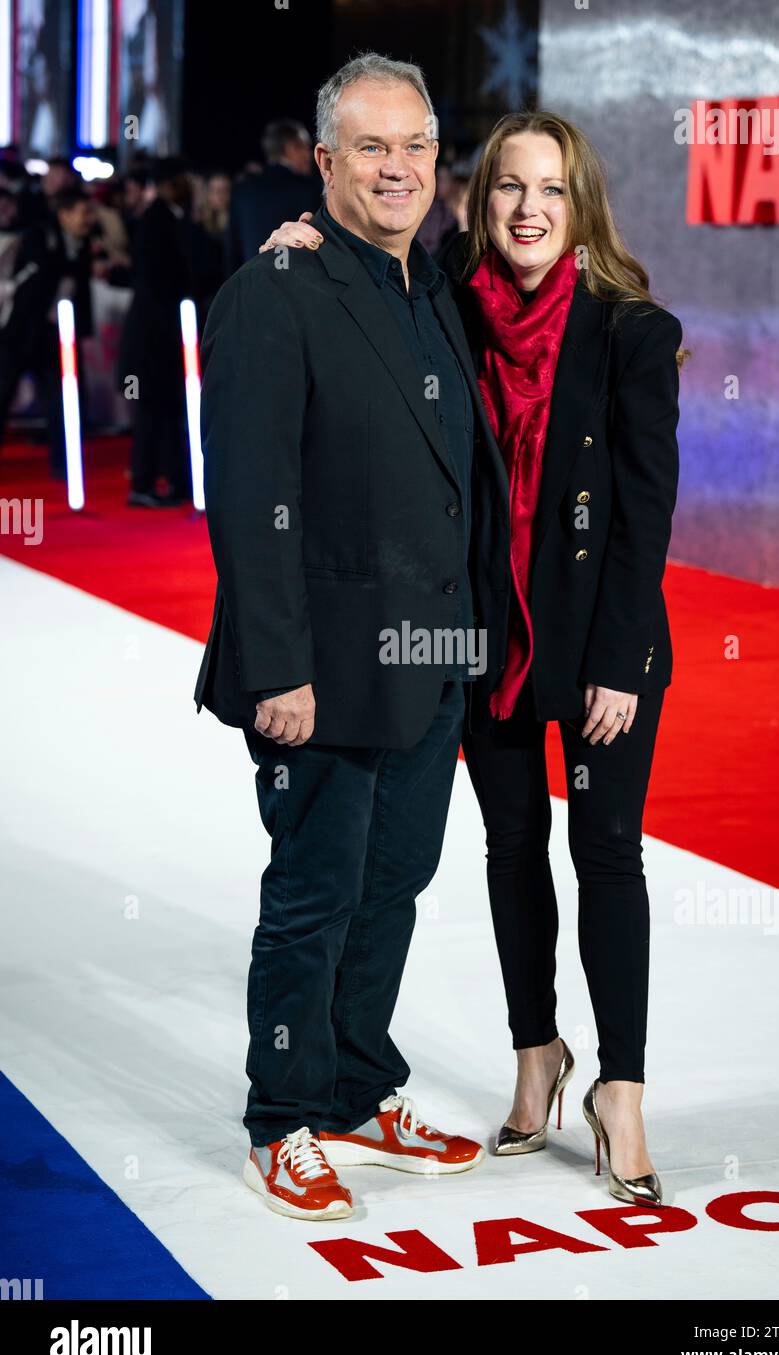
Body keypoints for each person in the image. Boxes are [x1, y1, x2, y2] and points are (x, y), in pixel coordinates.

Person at [262, 111, 684, 1208]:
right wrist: (291, 244)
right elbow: (357, 289)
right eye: (506, 187)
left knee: (607, 854)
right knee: (509, 849)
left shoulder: (630, 331)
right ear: (480, 202)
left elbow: (645, 516)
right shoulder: (443, 308)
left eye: (549, 187)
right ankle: (535, 1052)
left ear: (579, 201)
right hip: (480, 642)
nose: (528, 207)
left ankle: (620, 1090)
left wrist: (622, 660)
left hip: (598, 650)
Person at [194, 54, 510, 1220]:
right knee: (315, 893)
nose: (396, 168)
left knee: (394, 883)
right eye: (369, 147)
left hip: (431, 659)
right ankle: (281, 1118)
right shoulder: (276, 292)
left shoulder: (425, 283)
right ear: (323, 161)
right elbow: (246, 490)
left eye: (415, 146)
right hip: (320, 667)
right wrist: (277, 664)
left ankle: (355, 1088)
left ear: (438, 160)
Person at [0, 184, 95, 478]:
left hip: (58, 337)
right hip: (20, 333)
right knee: (2, 395)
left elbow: (81, 290)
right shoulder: (40, 238)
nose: (89, 219)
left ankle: (65, 463)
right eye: (83, 213)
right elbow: (28, 286)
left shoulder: (82, 244)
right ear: (64, 215)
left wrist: (83, 331)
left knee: (64, 399)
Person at [118, 157, 195, 507]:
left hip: (162, 331)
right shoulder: (158, 220)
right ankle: (145, 483)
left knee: (165, 410)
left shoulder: (167, 217)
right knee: (152, 410)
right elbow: (157, 280)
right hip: (154, 335)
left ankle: (170, 480)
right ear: (170, 183)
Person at [224, 118, 320, 272]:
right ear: (291, 149)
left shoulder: (243, 191)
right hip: (295, 287)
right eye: (305, 147)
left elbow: (232, 253)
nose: (309, 155)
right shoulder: (308, 189)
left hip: (251, 286)